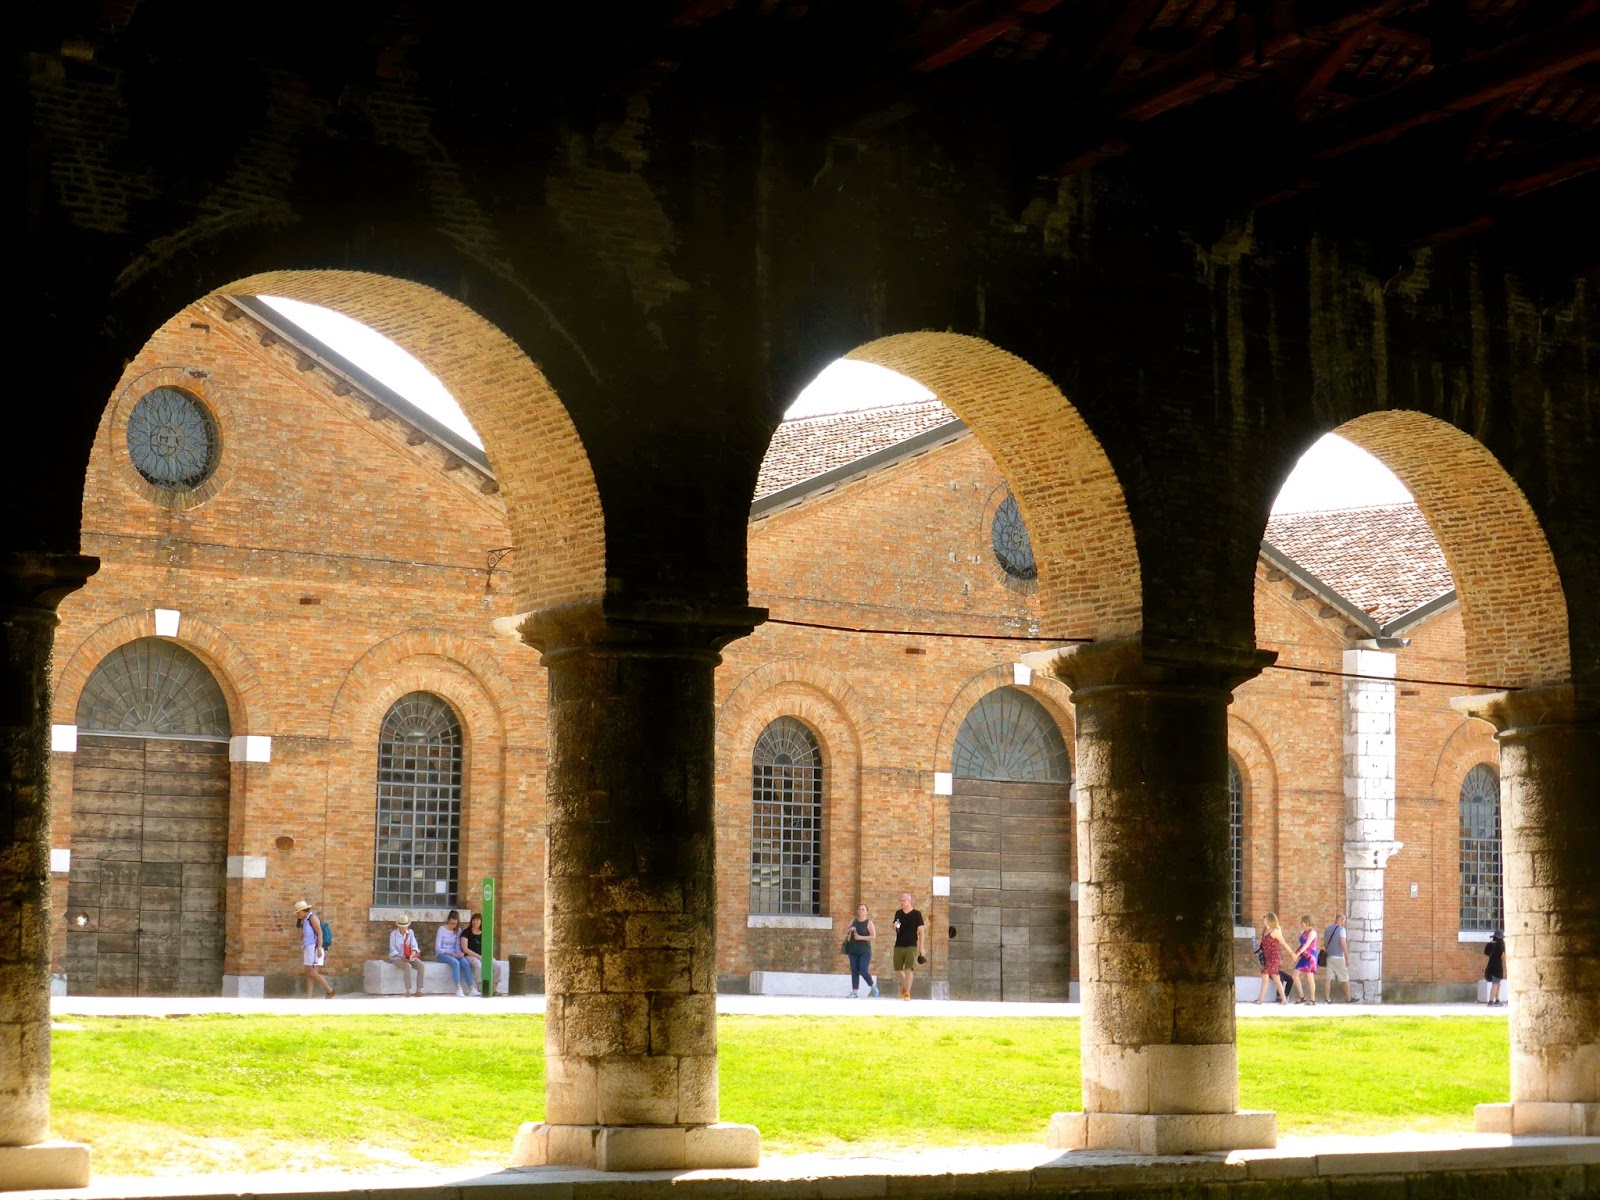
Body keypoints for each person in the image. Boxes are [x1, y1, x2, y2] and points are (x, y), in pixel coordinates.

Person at [293, 900, 335, 999]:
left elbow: (319, 933)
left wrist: (320, 948)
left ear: (304, 910)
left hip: (314, 948)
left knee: (312, 972)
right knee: (308, 974)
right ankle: (309, 997)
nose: (298, 914)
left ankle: (330, 990)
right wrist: (299, 923)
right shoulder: (305, 920)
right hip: (308, 948)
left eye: (299, 912)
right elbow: (301, 936)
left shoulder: (312, 918)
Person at [890, 892, 926, 1001]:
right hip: (899, 944)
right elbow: (895, 926)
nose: (901, 902)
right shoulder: (898, 913)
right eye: (901, 901)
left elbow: (921, 931)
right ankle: (906, 985)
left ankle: (907, 993)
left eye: (903, 900)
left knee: (909, 969)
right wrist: (894, 926)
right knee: (897, 970)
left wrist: (921, 948)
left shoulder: (916, 914)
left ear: (909, 901)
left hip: (911, 945)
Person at [1254, 912, 1294, 1004]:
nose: (1263, 920)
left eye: (1265, 918)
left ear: (1269, 919)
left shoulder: (1275, 931)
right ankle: (1283, 999)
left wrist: (1292, 953)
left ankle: (1260, 999)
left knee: (1265, 975)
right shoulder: (1265, 931)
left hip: (1274, 957)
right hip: (1268, 958)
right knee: (1275, 978)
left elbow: (1284, 943)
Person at [434, 909, 475, 997]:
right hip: (442, 954)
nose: (453, 925)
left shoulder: (458, 930)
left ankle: (471, 988)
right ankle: (459, 988)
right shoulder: (441, 929)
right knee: (455, 963)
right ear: (448, 920)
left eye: (455, 923)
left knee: (465, 963)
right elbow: (438, 948)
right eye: (451, 923)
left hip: (454, 953)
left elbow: (457, 946)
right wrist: (450, 953)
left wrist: (459, 953)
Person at [844, 903, 878, 997]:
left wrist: (861, 937)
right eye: (859, 909)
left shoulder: (868, 923)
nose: (860, 911)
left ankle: (872, 985)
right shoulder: (854, 920)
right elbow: (844, 930)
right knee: (854, 970)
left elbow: (873, 936)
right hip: (853, 950)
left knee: (863, 969)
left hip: (865, 951)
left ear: (867, 912)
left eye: (863, 909)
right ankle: (854, 992)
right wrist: (850, 929)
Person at [1322, 913, 1353, 1003]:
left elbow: (1325, 943)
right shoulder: (1341, 930)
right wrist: (1347, 957)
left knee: (1328, 979)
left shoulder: (1327, 929)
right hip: (1339, 957)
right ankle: (1349, 998)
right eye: (1344, 920)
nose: (1344, 922)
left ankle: (1327, 998)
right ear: (1341, 920)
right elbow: (1343, 943)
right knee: (1345, 978)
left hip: (1329, 956)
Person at [389, 916, 422, 997]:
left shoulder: (410, 933)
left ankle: (419, 990)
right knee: (407, 966)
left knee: (421, 966)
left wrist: (412, 955)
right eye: (402, 927)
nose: (404, 928)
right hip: (397, 957)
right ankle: (408, 990)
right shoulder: (393, 934)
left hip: (409, 956)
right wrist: (401, 957)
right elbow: (393, 950)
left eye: (405, 926)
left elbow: (414, 946)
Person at [1293, 914, 1318, 1004]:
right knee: (1295, 975)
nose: (1301, 924)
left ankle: (1313, 999)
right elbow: (1300, 942)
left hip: (1310, 956)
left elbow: (1307, 944)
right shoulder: (1304, 932)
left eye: (1302, 922)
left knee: (1309, 977)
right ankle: (1301, 996)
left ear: (1307, 922)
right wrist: (1296, 953)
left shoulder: (1312, 932)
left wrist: (1298, 953)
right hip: (1304, 955)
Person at [461, 913, 485, 994]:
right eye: (473, 920)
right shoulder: (466, 932)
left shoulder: (483, 933)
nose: (475, 922)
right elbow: (465, 949)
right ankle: (479, 987)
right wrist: (478, 956)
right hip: (469, 956)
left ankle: (494, 989)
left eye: (477, 920)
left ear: (481, 922)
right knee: (478, 964)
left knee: (496, 966)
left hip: (482, 956)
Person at [1485, 930, 1506, 1006]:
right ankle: (1491, 1001)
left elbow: (1485, 955)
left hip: (1490, 967)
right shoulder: (1501, 946)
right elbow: (1503, 957)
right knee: (1495, 984)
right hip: (1497, 968)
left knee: (1498, 984)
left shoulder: (1489, 945)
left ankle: (1497, 1000)